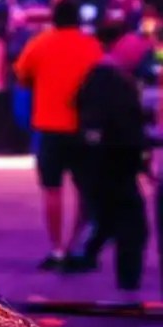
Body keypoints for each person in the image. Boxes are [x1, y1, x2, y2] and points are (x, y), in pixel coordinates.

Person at [14, 0, 104, 270]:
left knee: (52, 190)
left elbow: (22, 76)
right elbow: (104, 78)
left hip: (49, 127)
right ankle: (73, 245)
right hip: (83, 129)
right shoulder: (92, 45)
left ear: (53, 18)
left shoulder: (39, 43)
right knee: (85, 191)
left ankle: (56, 249)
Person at [64, 30, 152, 296]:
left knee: (112, 222)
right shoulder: (106, 79)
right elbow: (98, 123)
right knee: (130, 226)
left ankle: (84, 257)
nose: (139, 57)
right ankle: (124, 282)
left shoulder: (113, 78)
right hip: (110, 165)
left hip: (113, 164)